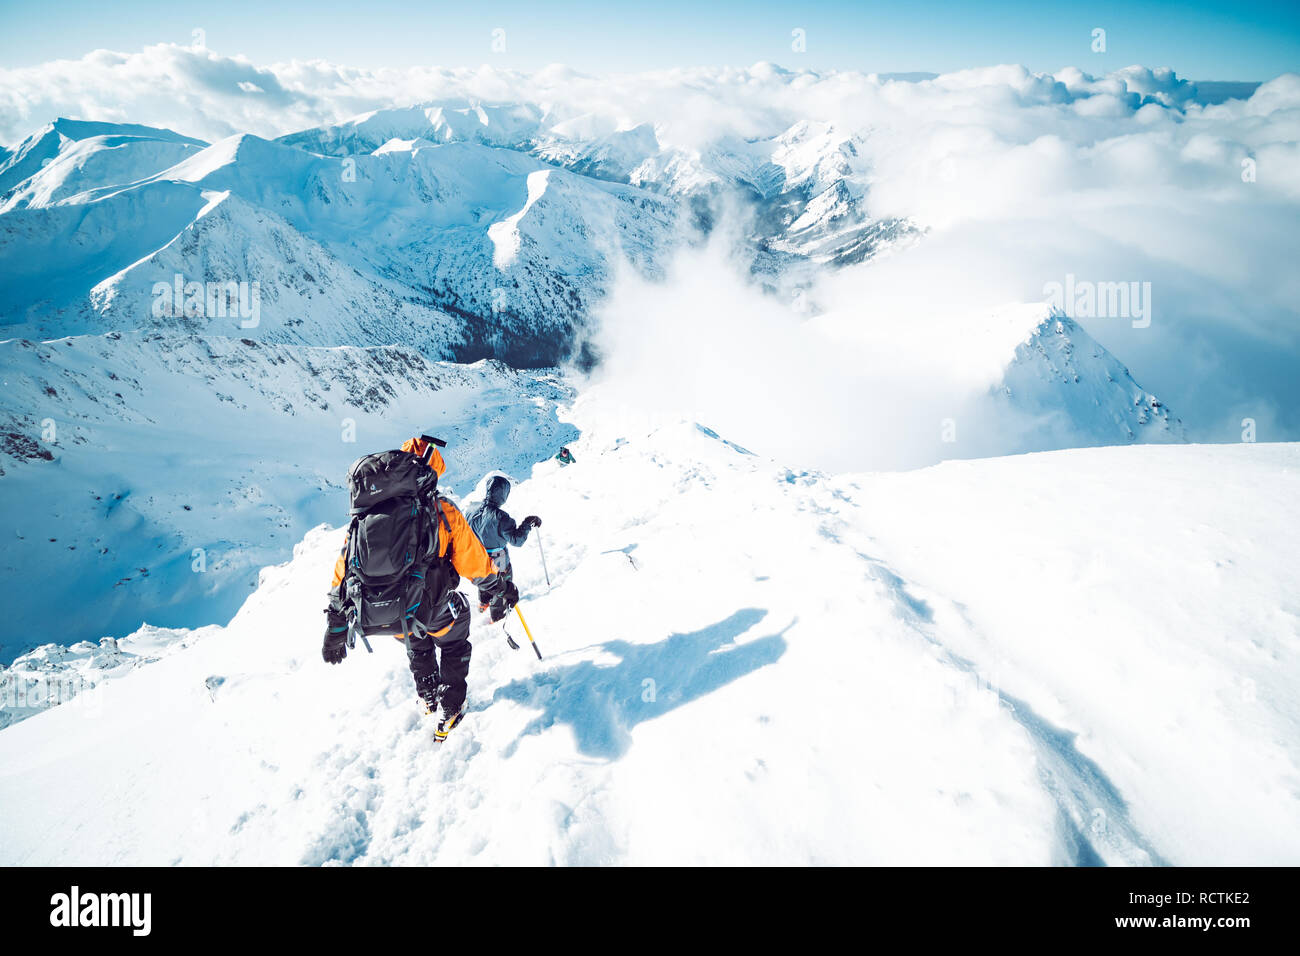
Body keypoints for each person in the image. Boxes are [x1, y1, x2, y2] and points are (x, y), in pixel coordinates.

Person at [321, 437, 518, 742]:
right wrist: (500, 586)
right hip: (432, 607)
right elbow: (475, 565)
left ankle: (427, 695)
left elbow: (343, 571)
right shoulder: (440, 510)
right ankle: (451, 706)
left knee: (417, 640)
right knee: (455, 633)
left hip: (389, 612)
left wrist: (335, 625)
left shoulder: (364, 518)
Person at [466, 475, 540, 615]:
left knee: (485, 578)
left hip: (477, 554)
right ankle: (498, 614)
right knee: (501, 583)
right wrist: (527, 525)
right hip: (497, 556)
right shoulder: (502, 517)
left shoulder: (471, 509)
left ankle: (483, 603)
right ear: (504, 495)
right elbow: (517, 541)